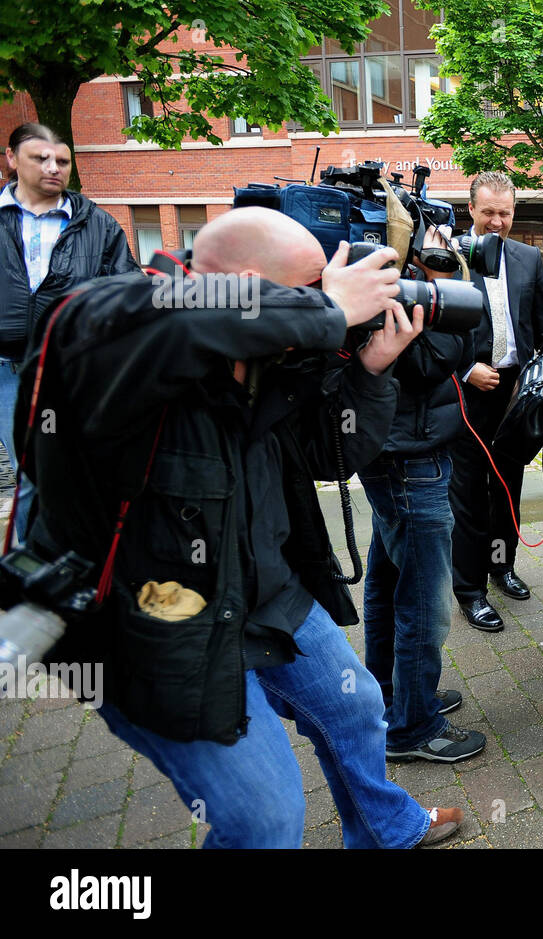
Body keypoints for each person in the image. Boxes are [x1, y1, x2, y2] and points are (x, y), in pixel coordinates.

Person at [20, 207, 462, 847]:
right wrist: (328, 309)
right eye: (310, 287)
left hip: (262, 590)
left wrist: (370, 371)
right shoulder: (116, 317)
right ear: (248, 285)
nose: (324, 301)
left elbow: (325, 455)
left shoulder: (266, 357)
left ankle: (385, 828)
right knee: (267, 819)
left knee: (356, 707)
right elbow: (159, 322)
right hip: (157, 627)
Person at [358, 222, 486, 763]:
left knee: (389, 584)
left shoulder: (387, 282)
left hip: (395, 454)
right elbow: (437, 357)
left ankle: (395, 699)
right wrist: (439, 285)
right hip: (410, 462)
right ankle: (412, 728)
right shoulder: (392, 289)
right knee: (423, 602)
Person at [1, 122, 137, 540]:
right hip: (10, 372)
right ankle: (32, 571)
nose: (53, 168)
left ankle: (90, 569)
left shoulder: (98, 224)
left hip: (77, 370)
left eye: (62, 160)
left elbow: (127, 291)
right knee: (34, 475)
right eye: (40, 158)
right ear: (11, 159)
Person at [449, 171, 543, 632]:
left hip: (514, 396)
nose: (497, 221)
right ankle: (469, 590)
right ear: (471, 209)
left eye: (505, 212)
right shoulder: (448, 255)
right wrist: (465, 370)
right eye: (488, 211)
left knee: (507, 488)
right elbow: (429, 332)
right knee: (469, 496)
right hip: (465, 394)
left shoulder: (529, 258)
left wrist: (535, 376)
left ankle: (501, 566)